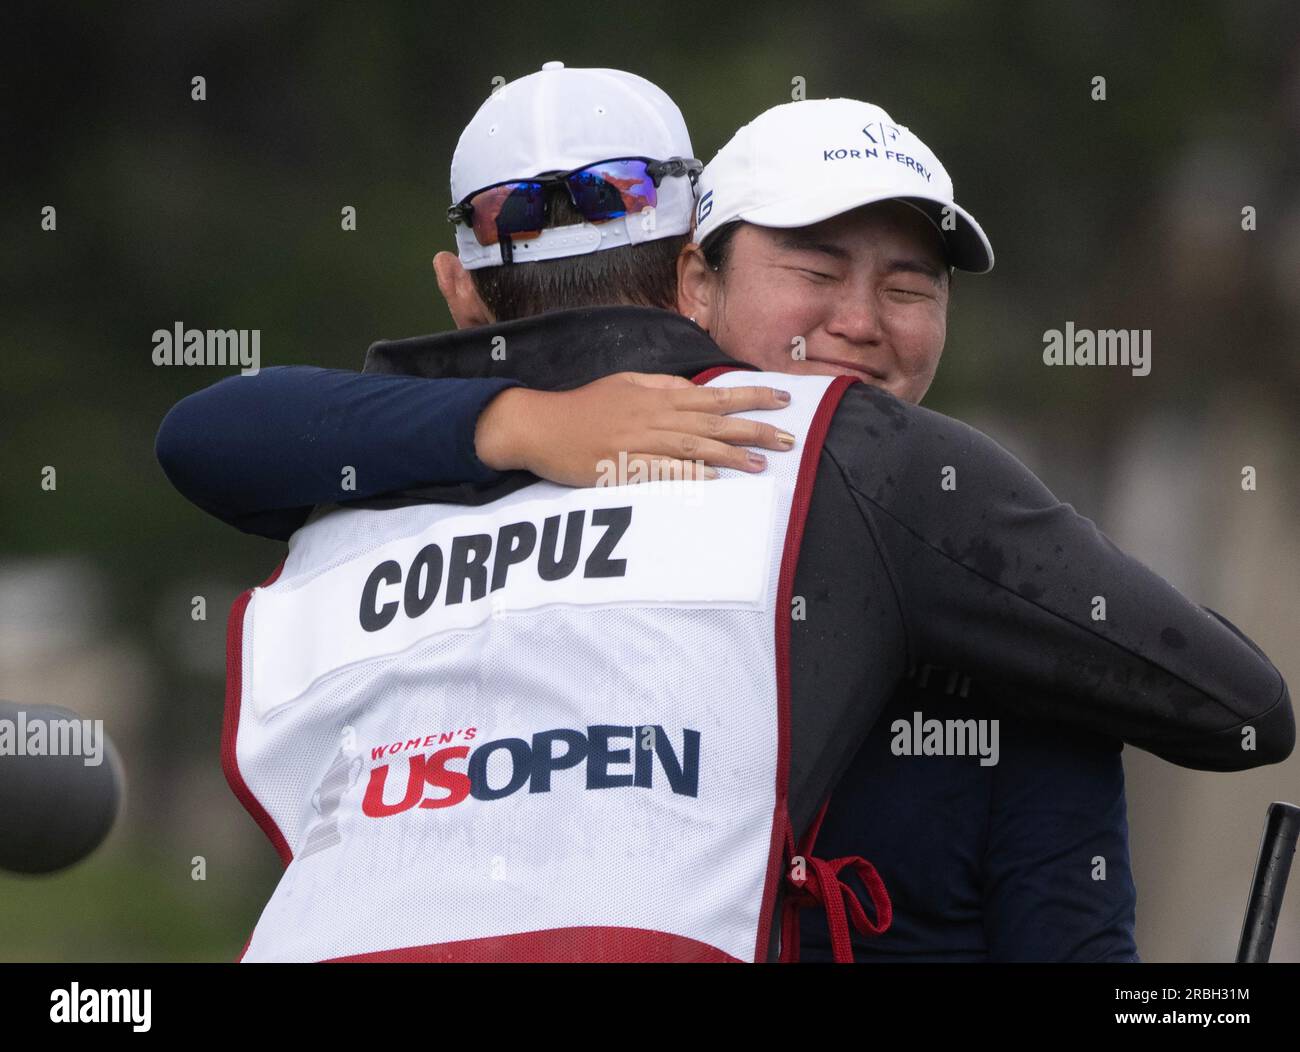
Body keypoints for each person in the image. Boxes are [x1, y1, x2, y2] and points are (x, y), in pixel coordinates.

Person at [158, 68, 1293, 963]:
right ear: (689, 281)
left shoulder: (973, 557)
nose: (861, 322)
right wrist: (519, 425)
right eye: (813, 266)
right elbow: (221, 429)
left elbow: (1208, 747)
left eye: (909, 287)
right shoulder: (528, 455)